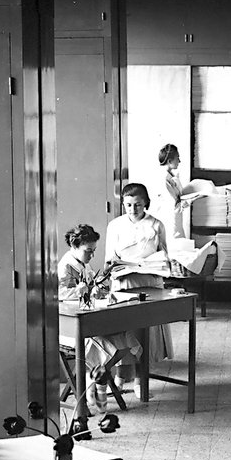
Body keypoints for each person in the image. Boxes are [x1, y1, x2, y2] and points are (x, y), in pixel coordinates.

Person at [58, 223, 141, 410]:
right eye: (88, 251)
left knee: (125, 337)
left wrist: (97, 290)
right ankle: (94, 381)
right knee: (106, 343)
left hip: (87, 319)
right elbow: (60, 295)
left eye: (94, 251)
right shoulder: (66, 265)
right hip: (68, 326)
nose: (92, 256)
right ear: (74, 246)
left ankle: (96, 380)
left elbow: (89, 287)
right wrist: (83, 291)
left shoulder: (82, 263)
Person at [104, 182, 173, 390]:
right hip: (125, 282)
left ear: (146, 204)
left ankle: (140, 380)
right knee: (125, 331)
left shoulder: (156, 224)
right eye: (128, 205)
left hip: (149, 281)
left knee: (147, 331)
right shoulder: (115, 225)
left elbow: (164, 255)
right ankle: (121, 377)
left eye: (138, 205)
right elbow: (110, 258)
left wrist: (155, 265)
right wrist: (115, 269)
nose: (133, 210)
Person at [149, 142, 186, 240]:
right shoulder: (163, 179)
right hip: (168, 220)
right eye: (177, 158)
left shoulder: (171, 177)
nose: (180, 161)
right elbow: (173, 203)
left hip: (175, 218)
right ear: (170, 161)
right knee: (173, 242)